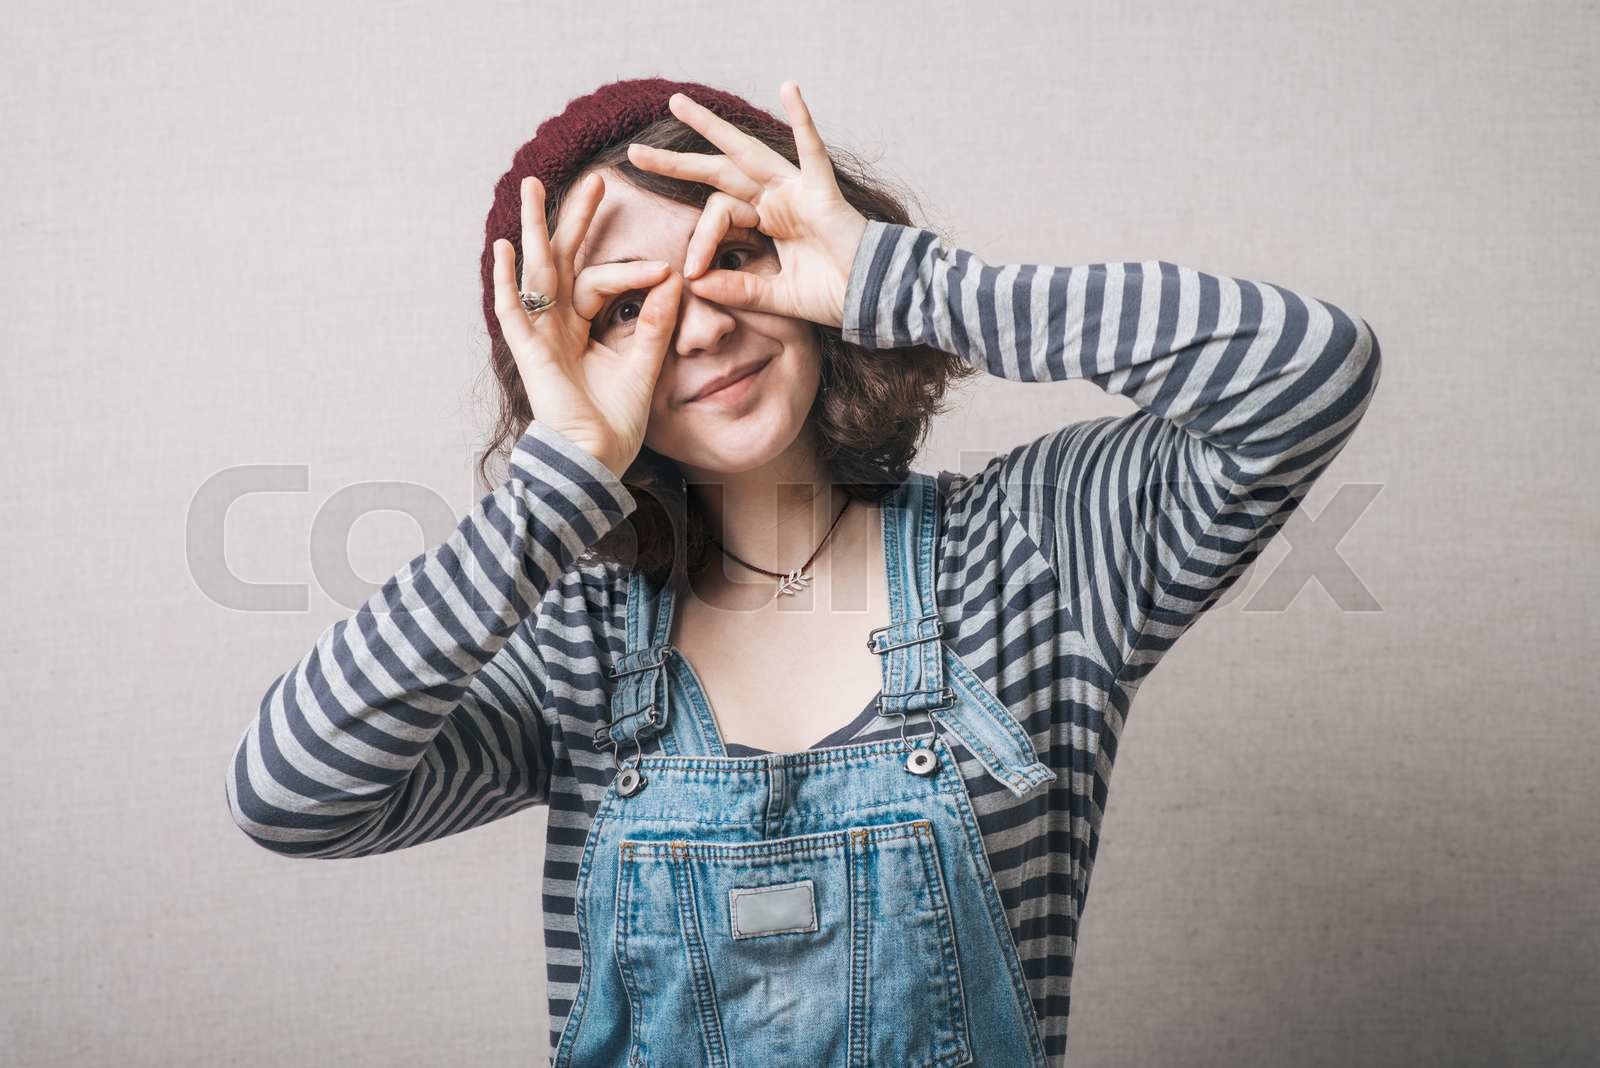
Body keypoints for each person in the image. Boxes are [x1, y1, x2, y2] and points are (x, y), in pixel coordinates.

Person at [225, 76, 1381, 1066]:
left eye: (734, 255)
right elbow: (290, 797)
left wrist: (902, 284)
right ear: (559, 363)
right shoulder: (578, 642)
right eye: (626, 309)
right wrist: (560, 474)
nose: (698, 327)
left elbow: (1305, 366)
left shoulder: (1041, 552)